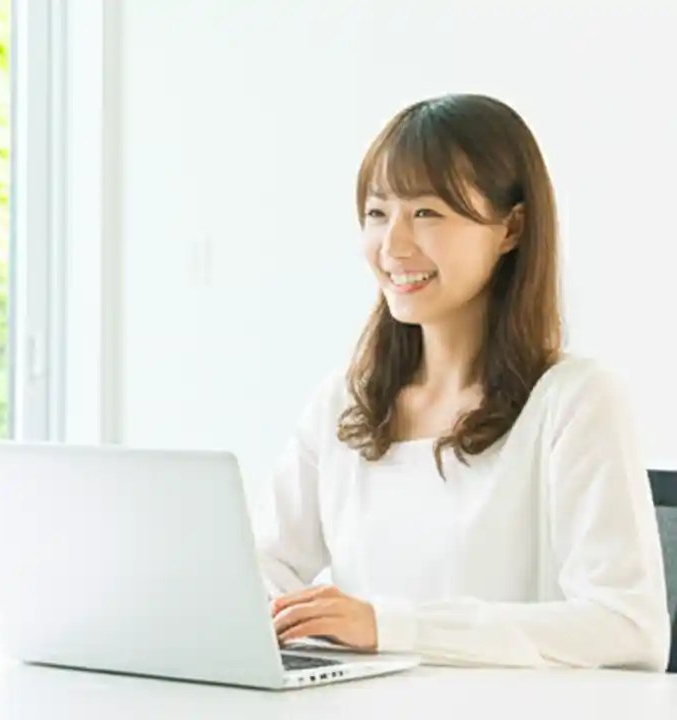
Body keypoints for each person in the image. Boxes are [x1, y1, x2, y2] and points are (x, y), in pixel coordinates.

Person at [258, 94, 671, 670]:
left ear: (511, 228)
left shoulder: (574, 401)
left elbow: (627, 629)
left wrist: (391, 627)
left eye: (427, 213)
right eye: (378, 213)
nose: (393, 246)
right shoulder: (343, 404)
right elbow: (267, 567)